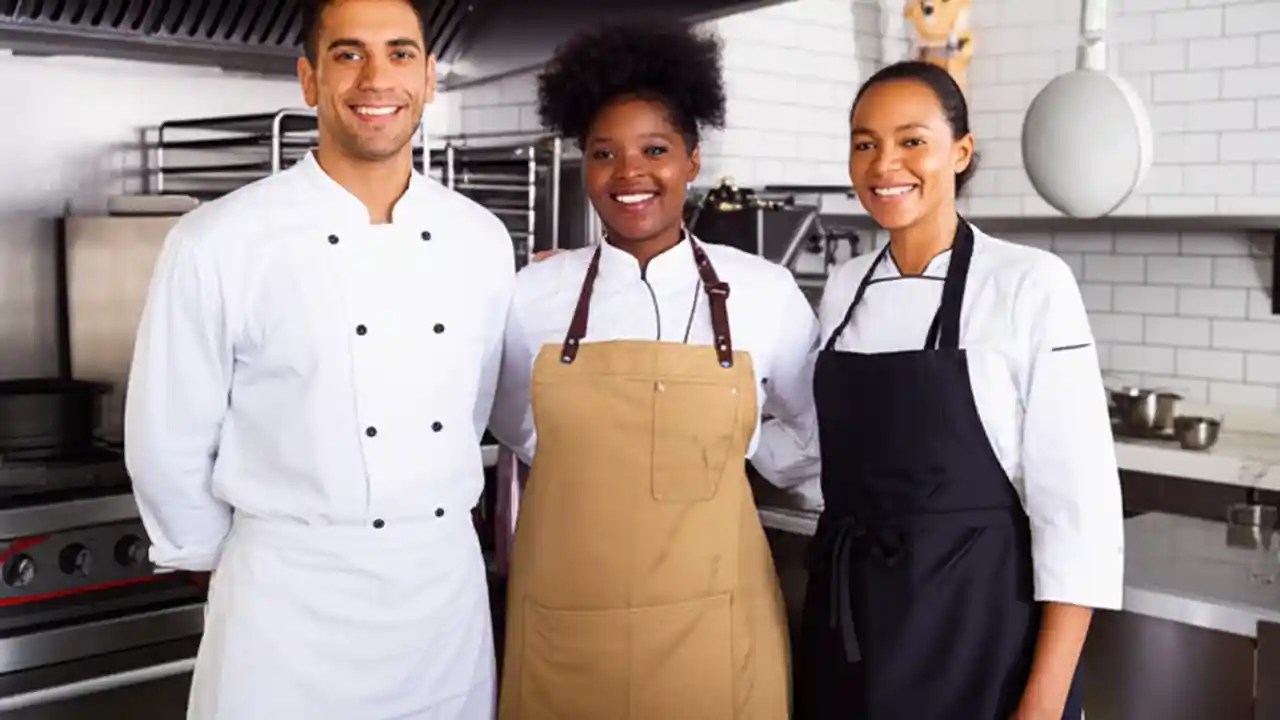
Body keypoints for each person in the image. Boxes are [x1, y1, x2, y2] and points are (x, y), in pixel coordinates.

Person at [123, 0, 513, 716]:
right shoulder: (219, 240)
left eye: (399, 54)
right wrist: (237, 564)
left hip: (439, 604)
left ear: (429, 78)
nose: (376, 78)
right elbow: (166, 438)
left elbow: (474, 403)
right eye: (347, 54)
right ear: (309, 80)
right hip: (285, 609)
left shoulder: (481, 239)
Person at [487, 22, 821, 719]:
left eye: (655, 150)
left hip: (716, 630)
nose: (629, 173)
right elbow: (516, 421)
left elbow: (810, 428)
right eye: (605, 153)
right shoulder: (533, 294)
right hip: (568, 627)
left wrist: (738, 446)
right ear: (585, 165)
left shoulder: (762, 292)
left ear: (693, 161)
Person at [795, 61, 1125, 720]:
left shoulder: (1030, 283)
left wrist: (1043, 702)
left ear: (961, 152)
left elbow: (1077, 513)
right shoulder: (844, 287)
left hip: (979, 635)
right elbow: (811, 448)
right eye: (865, 143)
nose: (885, 162)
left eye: (912, 140)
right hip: (851, 627)